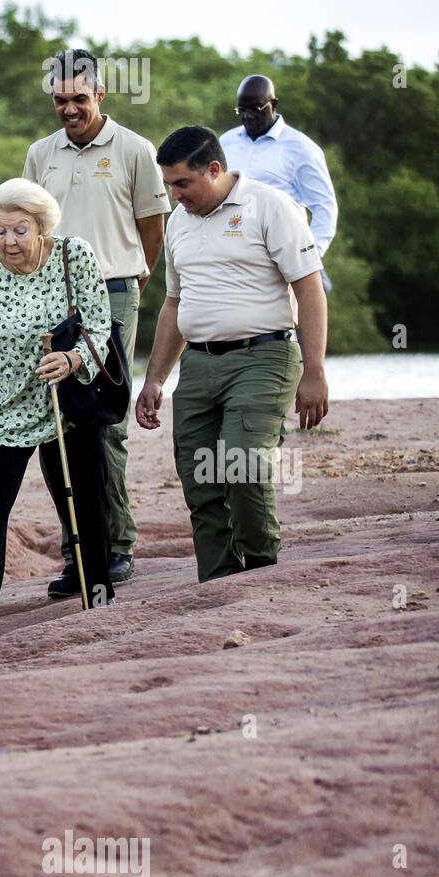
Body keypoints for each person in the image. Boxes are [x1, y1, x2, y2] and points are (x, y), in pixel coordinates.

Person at [136, 126, 329, 583]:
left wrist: (315, 370)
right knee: (199, 477)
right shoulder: (180, 221)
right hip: (199, 363)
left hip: (264, 356)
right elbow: (174, 303)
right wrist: (155, 379)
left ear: (215, 169)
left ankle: (260, 568)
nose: (175, 194)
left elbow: (308, 286)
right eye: (168, 185)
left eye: (183, 183)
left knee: (242, 463)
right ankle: (219, 581)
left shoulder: (271, 206)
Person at [0, 178, 115, 648]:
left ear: (41, 227)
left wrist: (73, 360)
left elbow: (98, 326)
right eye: (1, 230)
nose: (9, 241)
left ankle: (97, 591)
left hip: (63, 402)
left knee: (84, 499)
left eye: (20, 231)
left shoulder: (75, 256)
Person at [23, 48, 169, 597]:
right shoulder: (40, 155)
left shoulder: (135, 150)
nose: (69, 109)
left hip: (111, 293)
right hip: (49, 299)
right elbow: (29, 228)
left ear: (100, 95)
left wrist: (136, 281)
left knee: (104, 419)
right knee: (58, 425)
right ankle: (78, 552)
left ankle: (118, 547)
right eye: (60, 100)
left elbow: (153, 228)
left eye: (79, 99)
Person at [220, 75, 338, 290]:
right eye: (241, 110)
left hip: (284, 253)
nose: (247, 116)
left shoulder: (301, 148)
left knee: (298, 321)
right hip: (236, 253)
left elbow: (325, 207)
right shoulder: (226, 141)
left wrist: (307, 256)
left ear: (273, 104)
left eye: (255, 108)